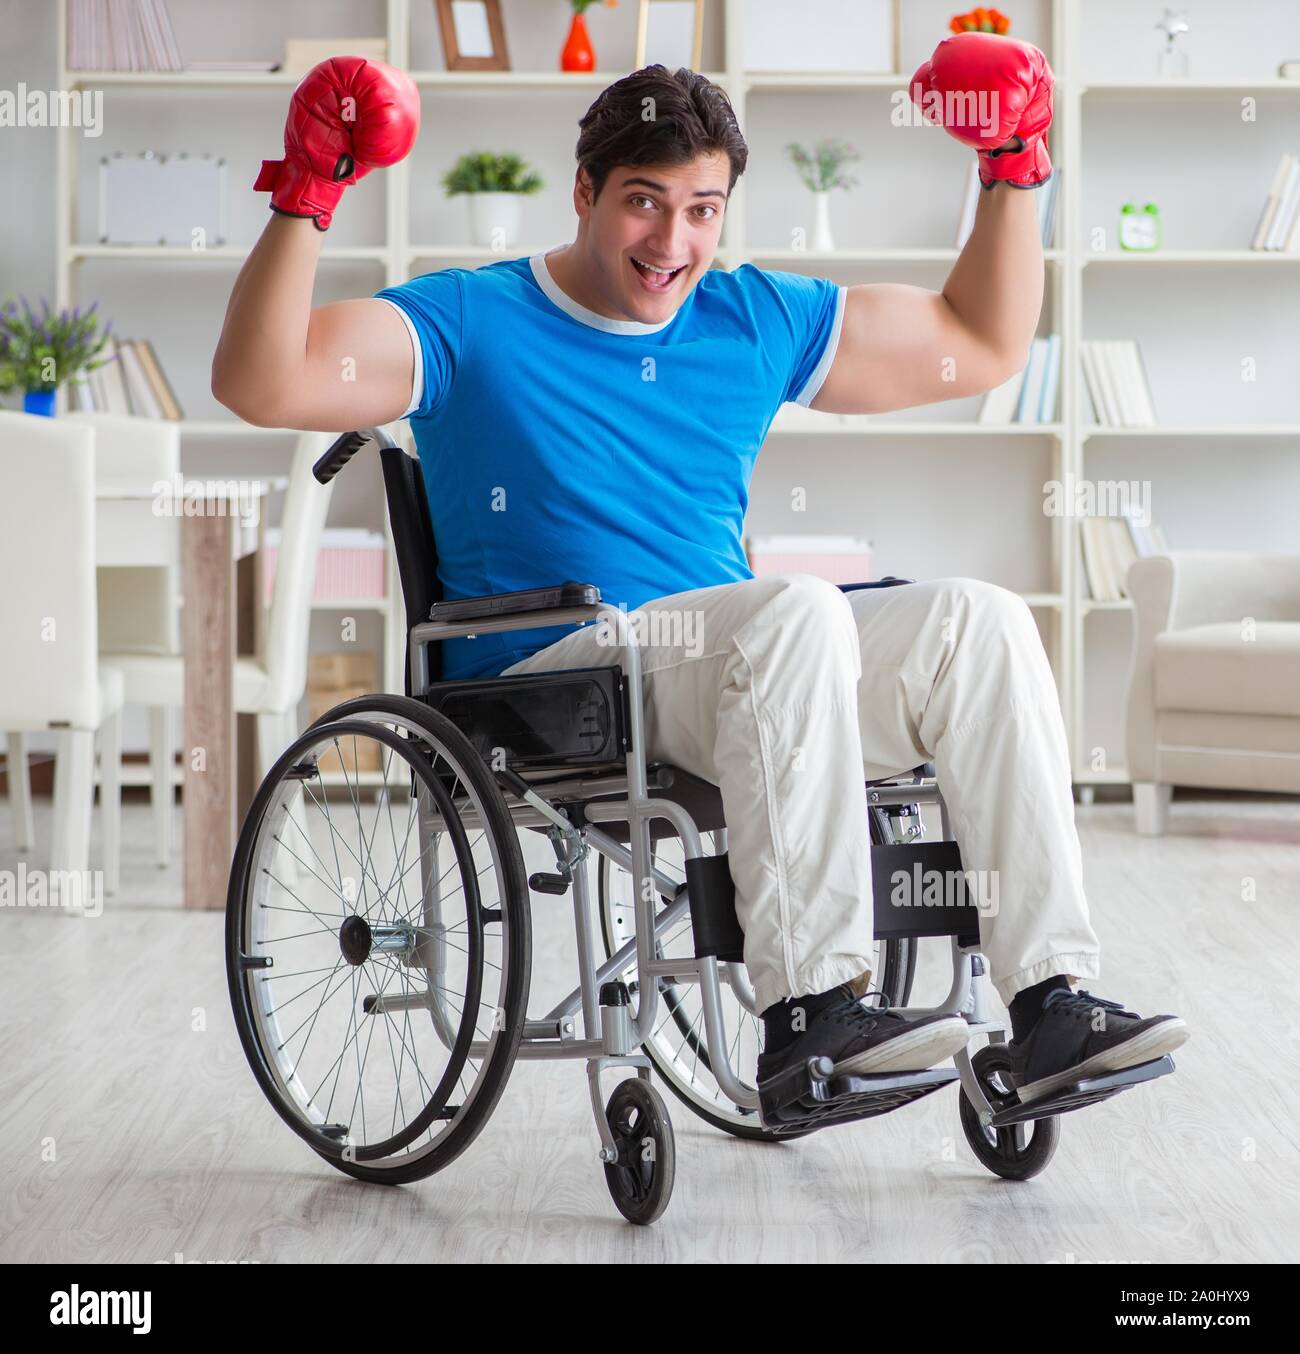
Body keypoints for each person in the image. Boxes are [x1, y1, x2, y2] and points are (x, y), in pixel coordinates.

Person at [212, 37, 1188, 1106]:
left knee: (981, 619)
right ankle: (811, 1014)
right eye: (643, 201)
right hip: (560, 677)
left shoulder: (750, 316)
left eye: (702, 209)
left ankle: (1049, 1003)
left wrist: (1011, 165)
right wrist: (308, 190)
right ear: (582, 191)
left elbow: (979, 342)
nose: (671, 241)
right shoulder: (470, 319)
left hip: (744, 664)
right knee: (794, 613)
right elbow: (262, 380)